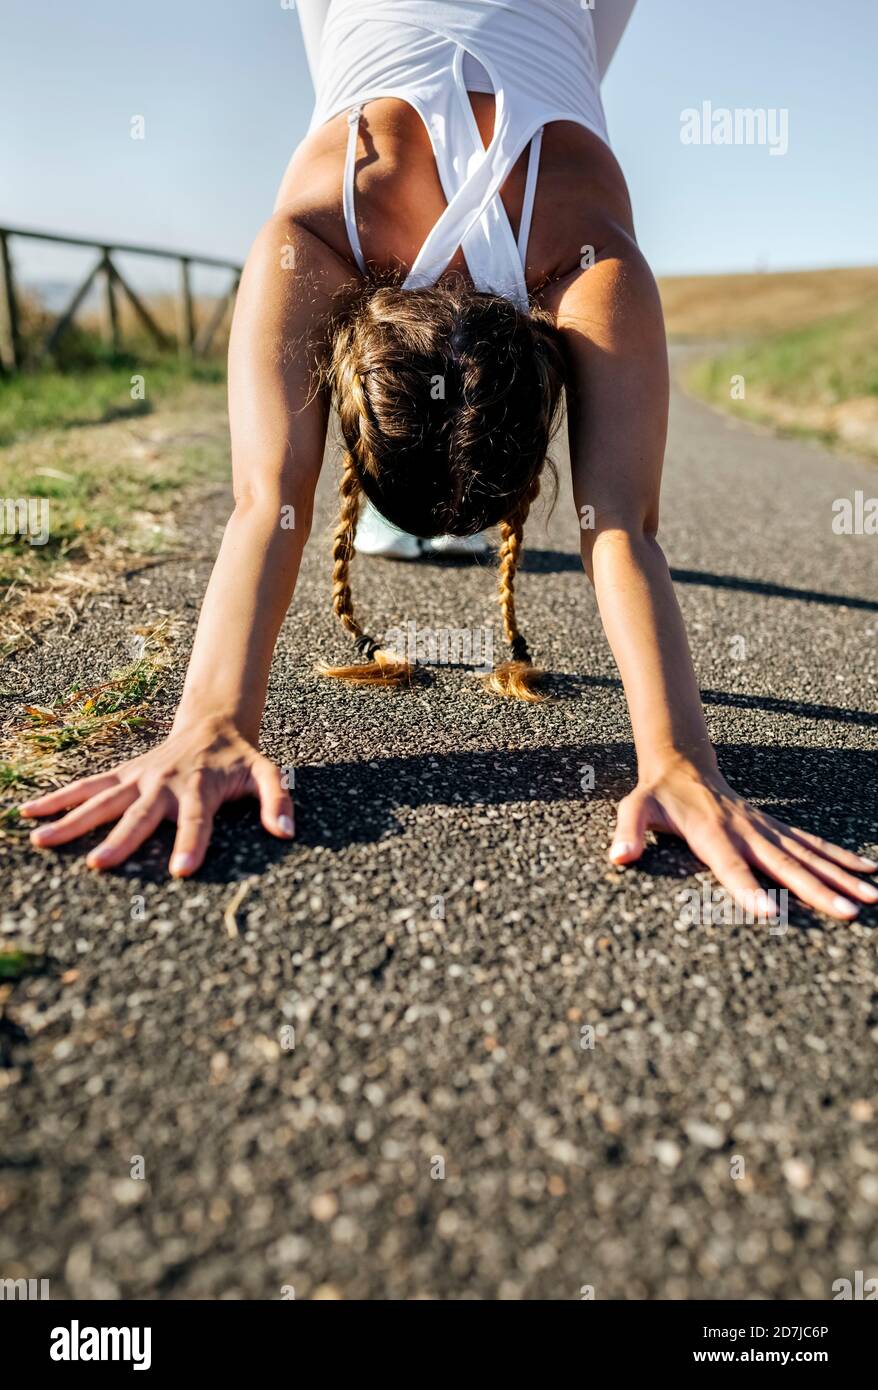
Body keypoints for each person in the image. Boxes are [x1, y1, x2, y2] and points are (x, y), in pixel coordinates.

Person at [20, 0, 877, 922]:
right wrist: (213, 725)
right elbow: (270, 498)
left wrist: (680, 764)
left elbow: (620, 528)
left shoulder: (582, 254)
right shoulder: (312, 232)